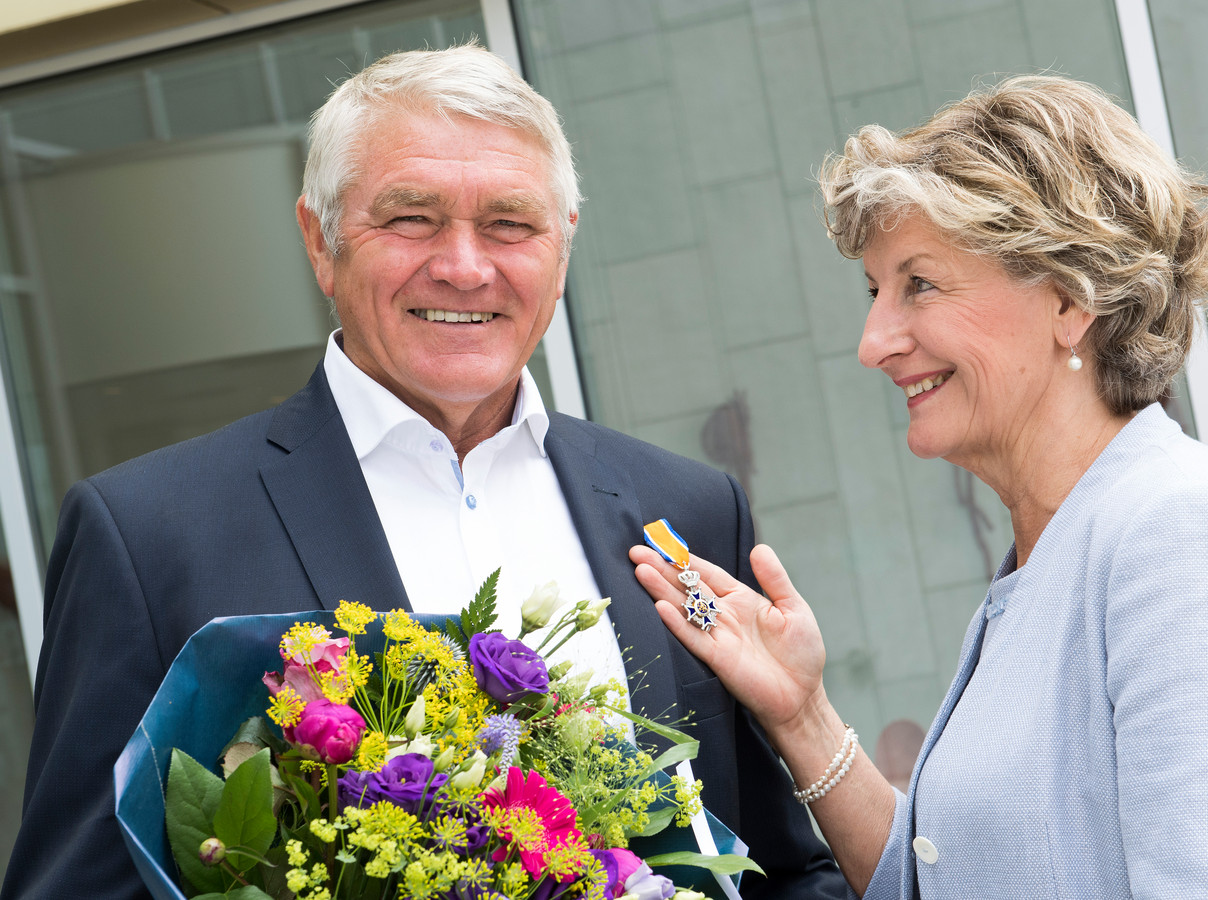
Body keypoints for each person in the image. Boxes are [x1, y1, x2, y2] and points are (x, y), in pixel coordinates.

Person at [1, 45, 844, 900]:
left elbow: (781, 872)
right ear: (320, 241)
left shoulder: (687, 508)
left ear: (562, 250)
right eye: (411, 218)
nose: (465, 267)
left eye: (510, 224)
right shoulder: (149, 537)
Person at [631, 75, 1208, 899]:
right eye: (875, 291)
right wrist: (802, 716)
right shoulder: (1050, 556)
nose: (873, 341)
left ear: (1070, 299)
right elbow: (945, 881)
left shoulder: (1179, 532)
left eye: (920, 284)